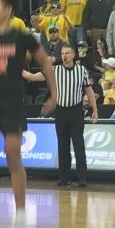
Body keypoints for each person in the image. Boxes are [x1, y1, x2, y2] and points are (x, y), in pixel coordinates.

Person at [0, 0, 57, 228]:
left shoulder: (23, 37)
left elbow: (45, 62)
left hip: (12, 102)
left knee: (13, 156)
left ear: (9, 10)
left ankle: (20, 218)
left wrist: (53, 94)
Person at [24, 44, 99, 187]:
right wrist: (15, 69)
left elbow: (89, 92)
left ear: (73, 55)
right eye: (63, 53)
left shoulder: (81, 70)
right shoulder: (54, 70)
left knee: (79, 145)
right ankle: (64, 177)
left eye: (68, 53)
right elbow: (33, 77)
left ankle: (82, 178)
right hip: (61, 112)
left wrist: (94, 110)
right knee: (62, 145)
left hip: (76, 112)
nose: (65, 56)